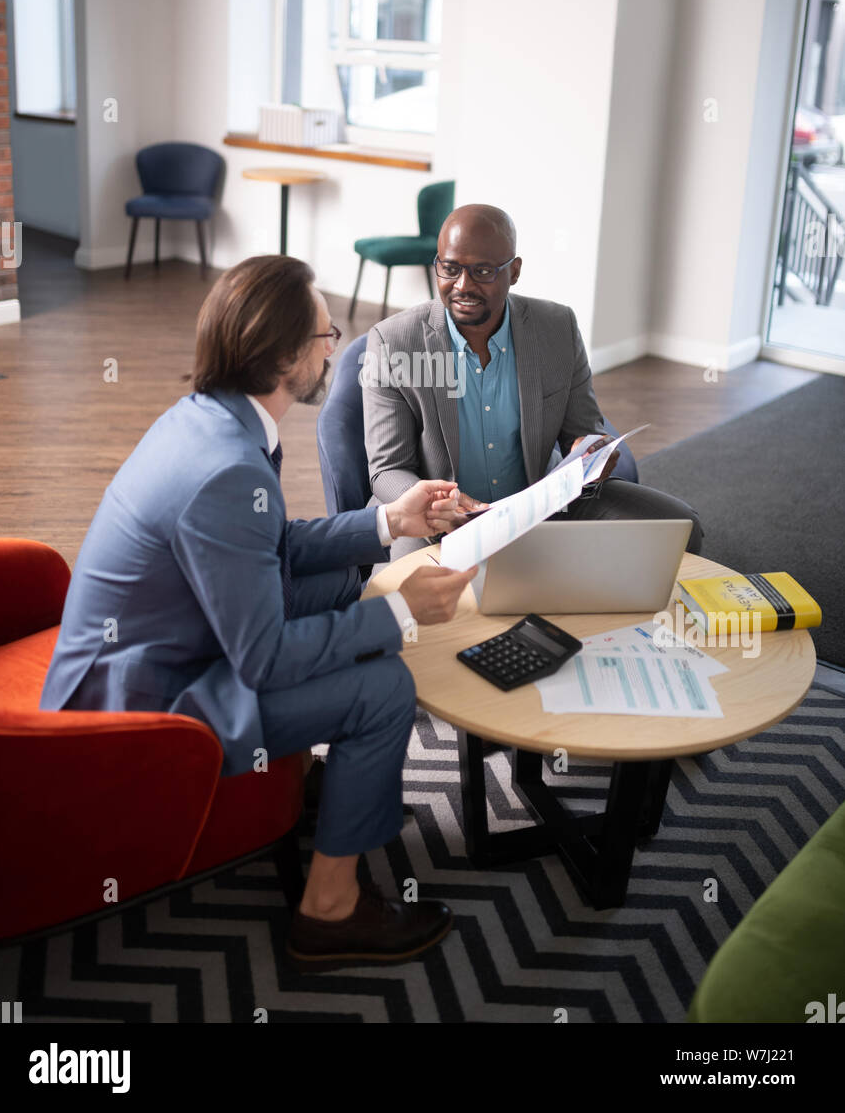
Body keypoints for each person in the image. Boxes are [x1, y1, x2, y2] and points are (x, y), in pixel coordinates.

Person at [40, 255, 477, 969]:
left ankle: (319, 788)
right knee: (386, 688)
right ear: (281, 357)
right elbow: (264, 658)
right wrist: (400, 611)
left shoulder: (215, 421)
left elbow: (266, 545)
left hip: (174, 639)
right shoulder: (226, 468)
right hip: (140, 703)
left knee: (344, 583)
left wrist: (388, 521)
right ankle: (330, 911)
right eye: (323, 334)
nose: (333, 344)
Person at [362, 204, 703, 558]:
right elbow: (388, 470)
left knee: (680, 528)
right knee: (403, 602)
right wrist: (437, 504)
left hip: (542, 511)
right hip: (434, 520)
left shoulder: (557, 328)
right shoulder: (393, 343)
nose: (463, 285)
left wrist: (590, 452)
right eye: (450, 269)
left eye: (482, 271)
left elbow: (583, 432)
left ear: (515, 271)